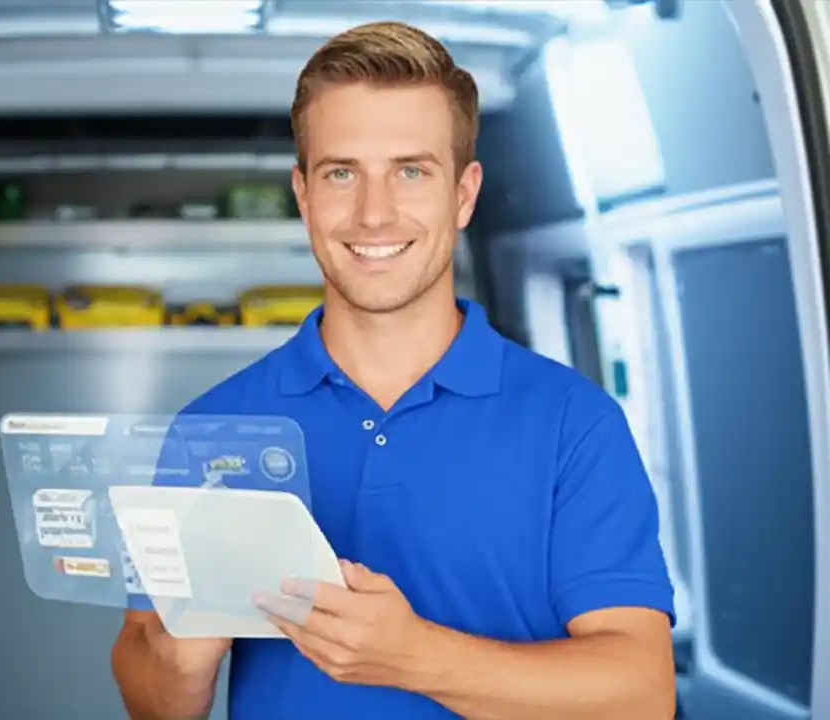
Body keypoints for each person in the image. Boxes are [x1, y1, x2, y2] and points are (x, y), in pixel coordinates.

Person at [110, 19, 677, 720]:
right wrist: (182, 652)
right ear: (304, 194)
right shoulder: (213, 428)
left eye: (410, 171)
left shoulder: (573, 424)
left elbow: (641, 693)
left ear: (463, 195)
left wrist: (411, 655)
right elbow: (150, 696)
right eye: (342, 173)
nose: (374, 214)